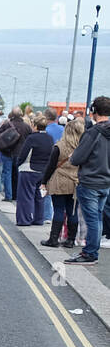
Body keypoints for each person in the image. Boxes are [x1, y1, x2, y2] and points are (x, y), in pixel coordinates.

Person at [65, 96, 110, 265]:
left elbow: (77, 158)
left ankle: (90, 253)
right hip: (105, 182)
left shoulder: (93, 133)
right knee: (97, 218)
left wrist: (72, 156)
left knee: (93, 220)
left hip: (90, 181)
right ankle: (91, 252)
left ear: (93, 111)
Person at [42, 117, 83, 247]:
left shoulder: (59, 146)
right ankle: (70, 240)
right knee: (72, 211)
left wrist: (44, 181)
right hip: (76, 181)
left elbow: (50, 166)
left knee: (59, 209)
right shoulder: (83, 148)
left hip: (59, 180)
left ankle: (53, 239)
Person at [14, 123, 55, 226]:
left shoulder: (31, 138)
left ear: (36, 126)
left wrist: (18, 163)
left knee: (26, 196)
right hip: (43, 171)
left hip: (29, 169)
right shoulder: (50, 138)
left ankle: (24, 220)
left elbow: (24, 153)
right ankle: (38, 219)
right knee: (39, 197)